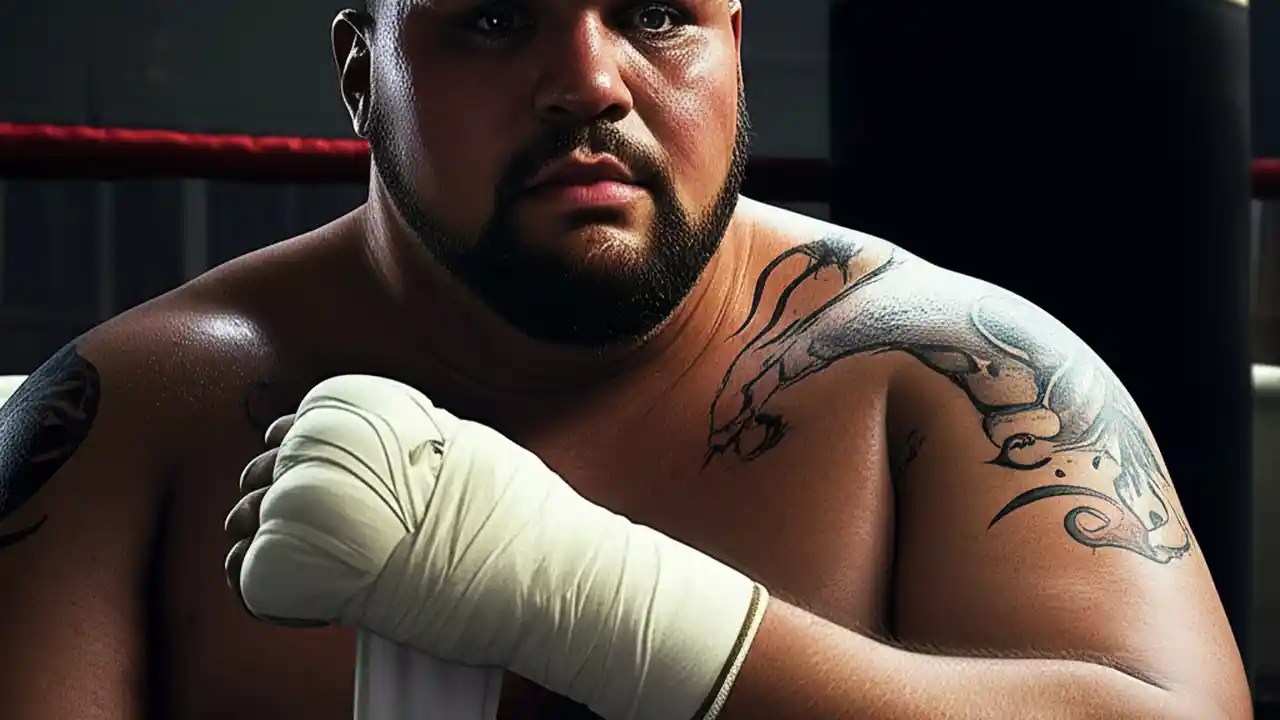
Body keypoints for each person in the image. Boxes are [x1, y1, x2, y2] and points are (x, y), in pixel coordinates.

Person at [0, 1, 1252, 718]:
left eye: (656, 12)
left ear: (734, 43)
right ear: (358, 75)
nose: (589, 81)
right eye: (493, 18)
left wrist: (600, 604)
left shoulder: (953, 377)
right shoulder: (135, 418)